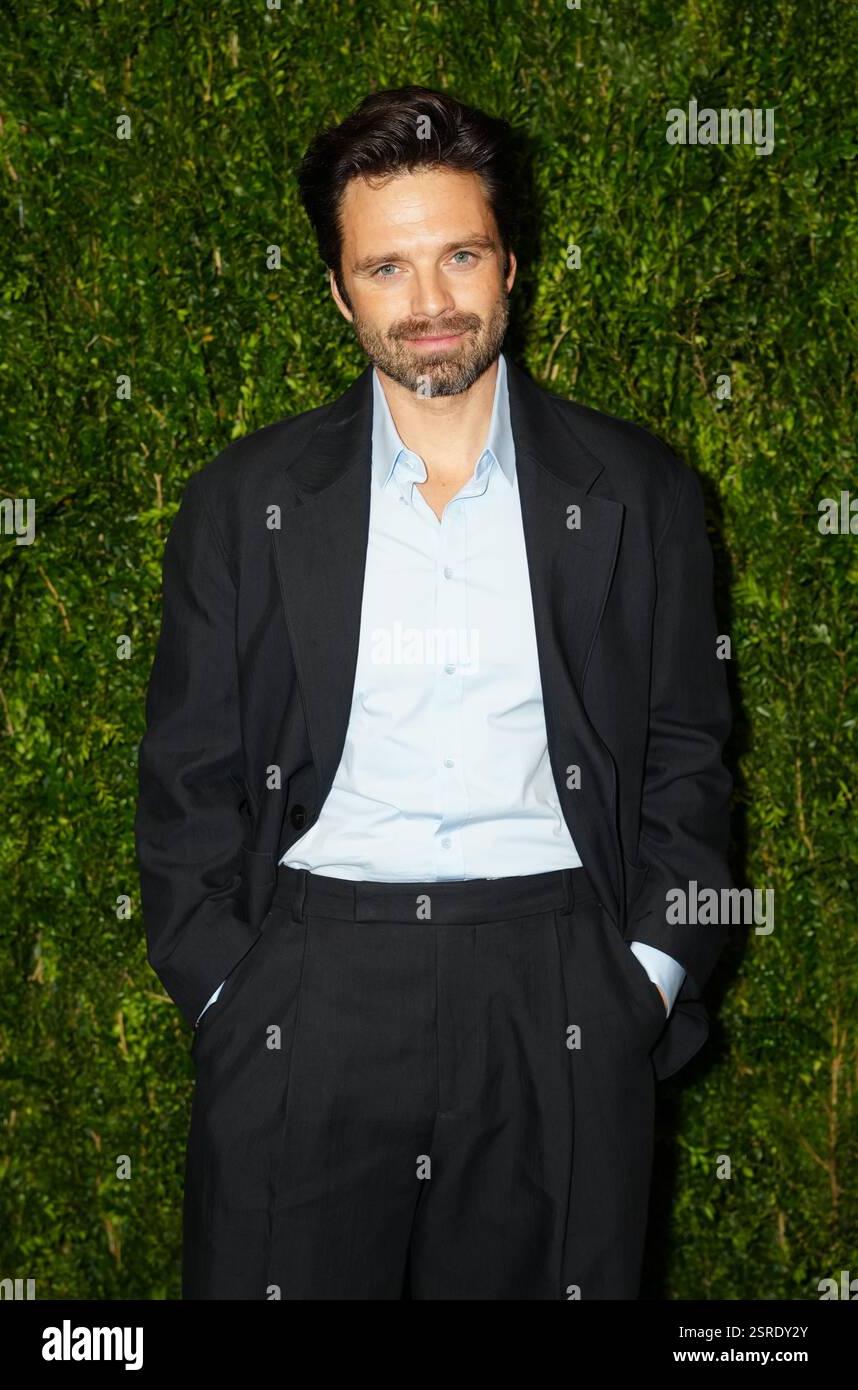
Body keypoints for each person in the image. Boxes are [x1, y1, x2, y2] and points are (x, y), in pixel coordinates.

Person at [135, 84, 733, 1300]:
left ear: (509, 263)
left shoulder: (641, 491)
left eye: (457, 254)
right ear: (339, 290)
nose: (428, 304)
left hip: (560, 975)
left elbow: (686, 758)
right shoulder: (240, 505)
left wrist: (645, 978)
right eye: (386, 267)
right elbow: (186, 780)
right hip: (309, 977)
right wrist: (226, 993)